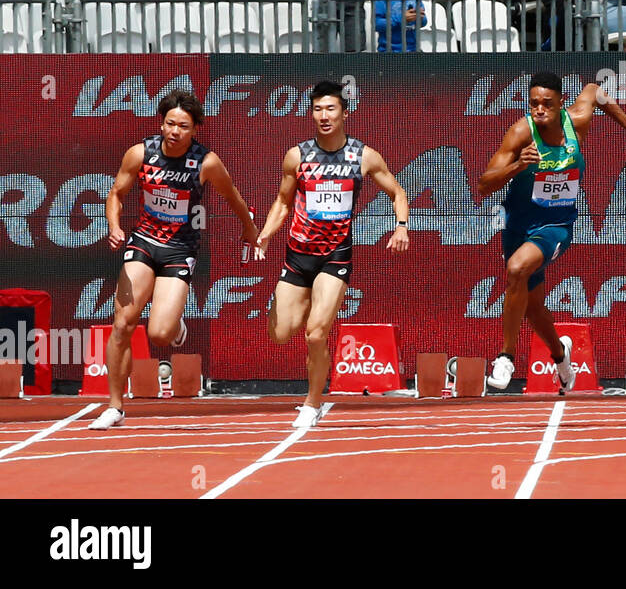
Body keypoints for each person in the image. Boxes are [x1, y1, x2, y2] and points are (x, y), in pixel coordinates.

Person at [87, 90, 258, 431]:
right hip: (143, 243)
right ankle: (115, 406)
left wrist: (250, 230)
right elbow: (116, 194)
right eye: (169, 123)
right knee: (122, 324)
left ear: (195, 129)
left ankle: (174, 324)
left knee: (161, 334)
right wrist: (114, 226)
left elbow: (235, 198)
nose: (175, 131)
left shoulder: (206, 162)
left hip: (180, 250)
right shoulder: (141, 154)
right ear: (161, 123)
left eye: (183, 126)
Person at [479, 73, 626, 391]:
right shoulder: (520, 133)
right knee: (532, 306)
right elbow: (484, 184)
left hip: (556, 226)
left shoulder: (577, 120)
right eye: (533, 104)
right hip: (518, 225)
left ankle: (506, 357)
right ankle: (561, 355)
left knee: (516, 269)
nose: (539, 110)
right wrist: (517, 166)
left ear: (560, 105)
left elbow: (595, 91)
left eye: (547, 104)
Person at [256, 80, 411, 428]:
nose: (324, 116)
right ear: (311, 113)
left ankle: (313, 403)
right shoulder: (297, 156)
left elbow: (398, 192)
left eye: (331, 109)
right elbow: (283, 202)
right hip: (297, 256)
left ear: (344, 113)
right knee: (280, 334)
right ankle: (300, 301)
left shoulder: (364, 156)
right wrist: (266, 234)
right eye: (317, 109)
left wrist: (401, 226)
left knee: (315, 334)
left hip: (335, 257)